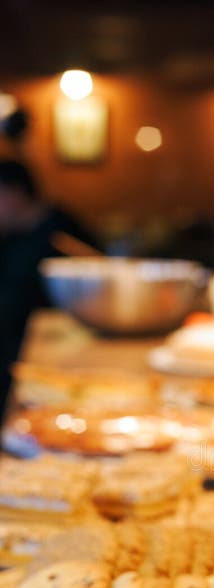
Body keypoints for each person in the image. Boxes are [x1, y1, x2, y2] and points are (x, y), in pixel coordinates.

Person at [0, 158, 102, 421]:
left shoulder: (60, 232)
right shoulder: (12, 235)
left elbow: (98, 278)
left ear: (15, 193)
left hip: (55, 354)